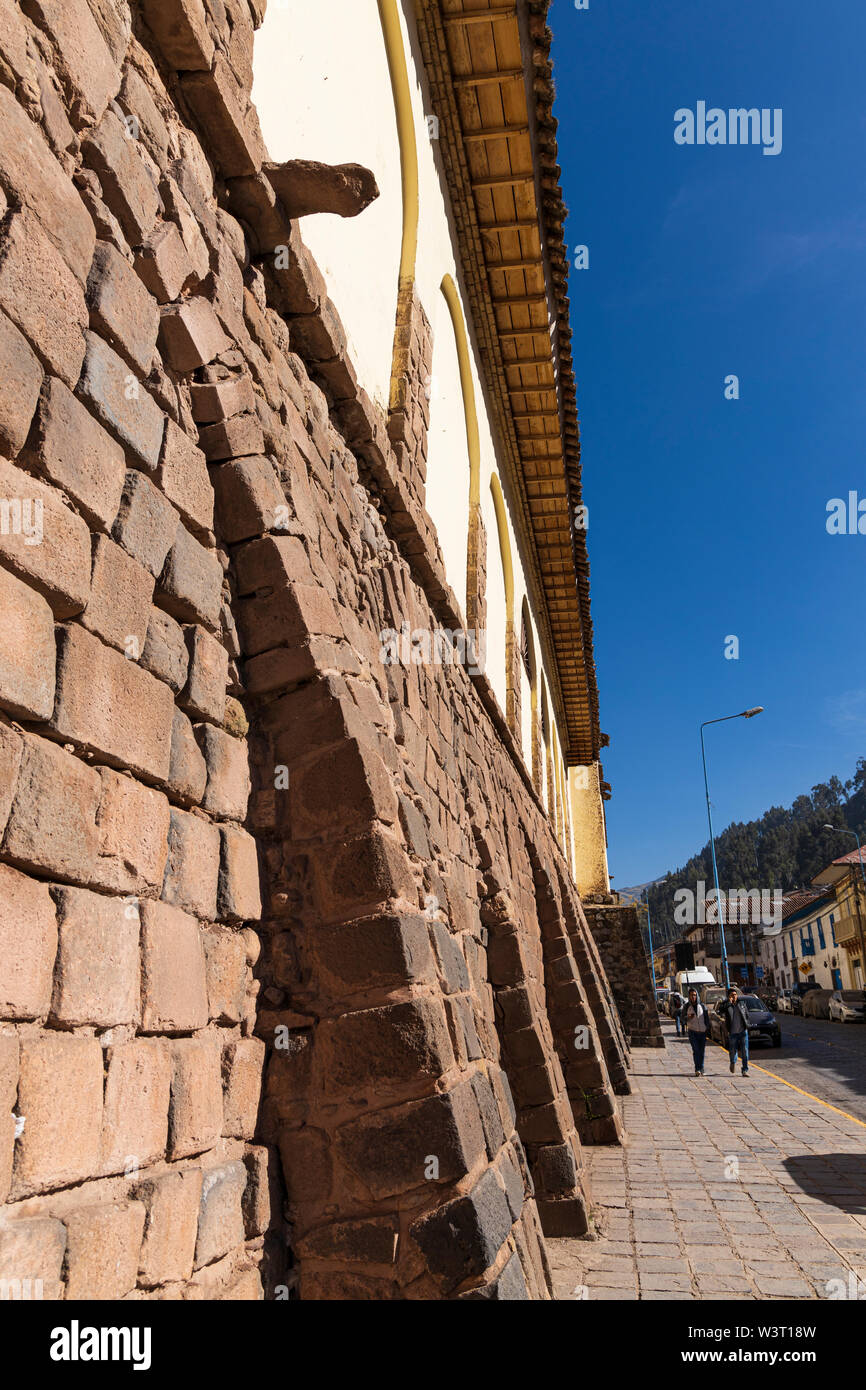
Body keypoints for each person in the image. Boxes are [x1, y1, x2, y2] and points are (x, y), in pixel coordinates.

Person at [717, 986, 751, 1075]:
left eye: (735, 995)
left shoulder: (742, 1003)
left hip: (743, 1031)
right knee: (733, 1051)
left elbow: (746, 1015)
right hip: (732, 1032)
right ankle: (733, 1062)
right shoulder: (726, 1004)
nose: (734, 996)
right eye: (732, 995)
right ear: (729, 996)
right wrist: (729, 1002)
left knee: (745, 1052)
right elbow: (720, 1011)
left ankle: (745, 1070)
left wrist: (747, 1025)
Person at [681, 987, 710, 1075]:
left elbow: (706, 1018)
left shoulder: (702, 1006)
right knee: (696, 1050)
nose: (693, 997)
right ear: (689, 996)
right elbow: (682, 1019)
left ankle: (701, 1067)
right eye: (691, 995)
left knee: (701, 1051)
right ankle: (697, 1068)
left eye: (694, 995)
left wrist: (707, 1028)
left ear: (697, 995)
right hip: (692, 1031)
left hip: (702, 1032)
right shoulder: (686, 1006)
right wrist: (688, 1017)